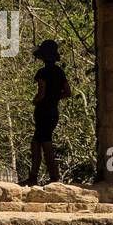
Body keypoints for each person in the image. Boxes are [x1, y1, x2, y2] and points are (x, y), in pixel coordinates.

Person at [22, 39, 71, 186]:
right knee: (36, 143)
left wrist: (36, 100)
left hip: (43, 112)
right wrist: (55, 98)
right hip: (53, 112)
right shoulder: (60, 72)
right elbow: (68, 92)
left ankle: (54, 177)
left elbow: (41, 93)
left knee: (44, 144)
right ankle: (33, 177)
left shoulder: (42, 72)